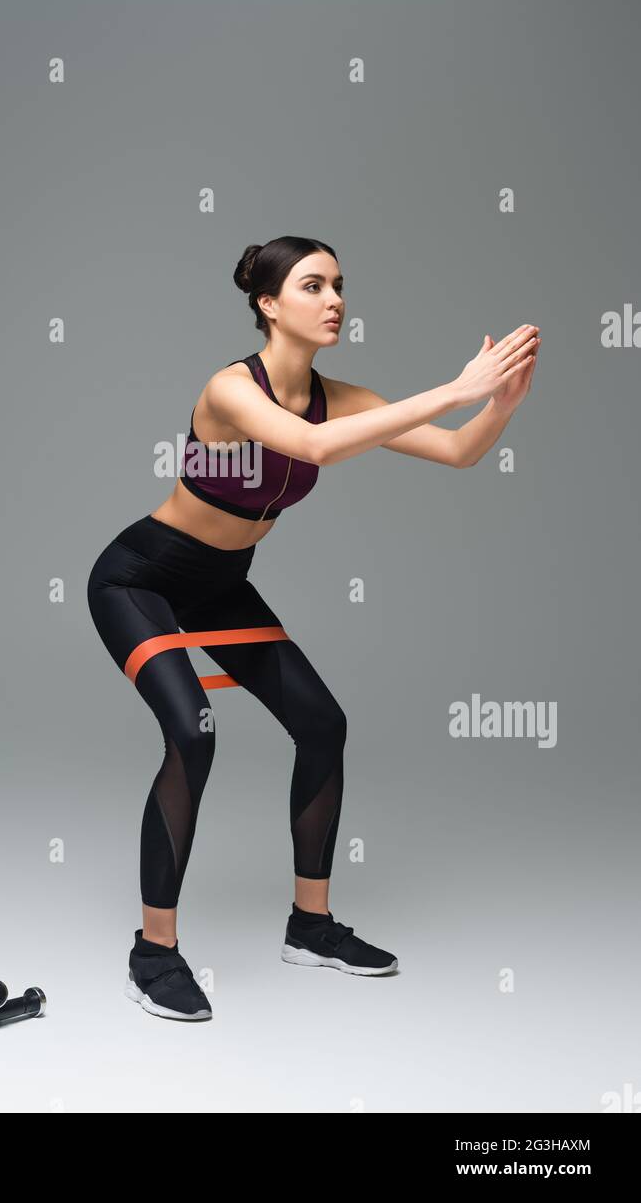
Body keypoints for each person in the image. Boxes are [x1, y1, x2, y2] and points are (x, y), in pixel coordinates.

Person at [86, 236, 539, 1021]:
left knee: (322, 725)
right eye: (312, 285)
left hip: (224, 587)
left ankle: (311, 925)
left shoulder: (339, 394)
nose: (334, 299)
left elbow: (460, 453)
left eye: (338, 285)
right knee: (193, 734)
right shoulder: (231, 390)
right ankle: (152, 953)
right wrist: (455, 384)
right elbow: (314, 446)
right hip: (141, 579)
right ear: (268, 304)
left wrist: (495, 405)